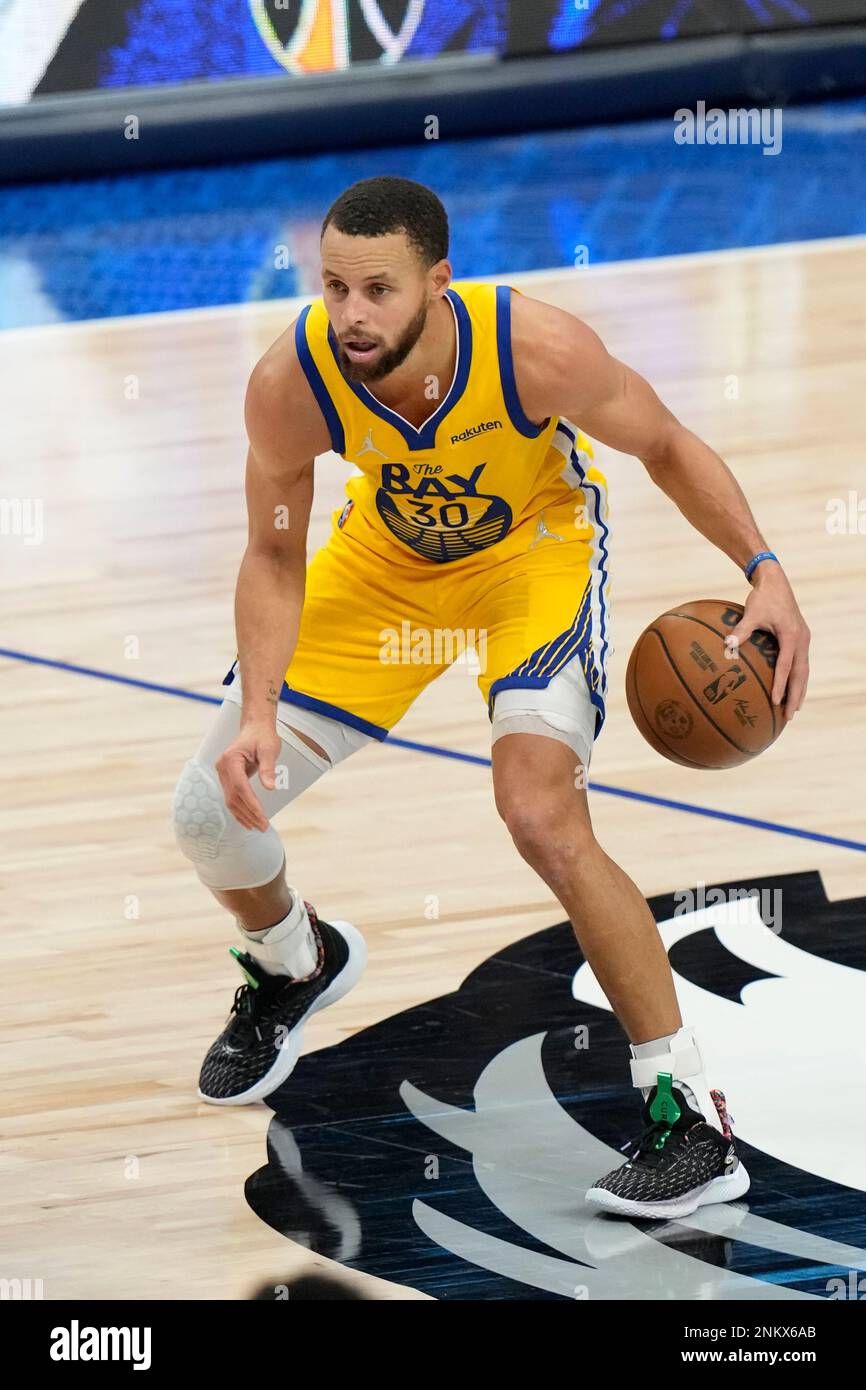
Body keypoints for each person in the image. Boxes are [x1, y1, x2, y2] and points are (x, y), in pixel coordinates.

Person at [171, 176, 810, 1218]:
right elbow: (272, 553)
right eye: (332, 286)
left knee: (538, 814)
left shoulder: (535, 350)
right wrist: (256, 715)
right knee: (206, 810)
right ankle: (294, 962)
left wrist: (763, 566)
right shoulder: (291, 380)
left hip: (531, 557)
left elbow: (661, 445)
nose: (350, 314)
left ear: (438, 281)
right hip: (385, 565)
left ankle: (688, 1116)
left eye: (376, 289)